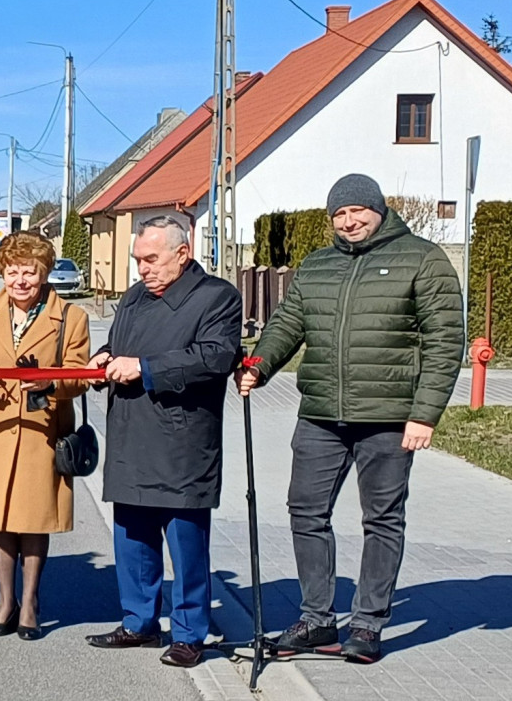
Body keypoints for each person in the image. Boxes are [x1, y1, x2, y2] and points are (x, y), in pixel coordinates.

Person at [238, 175, 464, 664]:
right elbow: (288, 323)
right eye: (339, 214)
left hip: (388, 417)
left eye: (357, 211)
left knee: (381, 519)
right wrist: (260, 364)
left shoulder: (423, 259)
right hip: (320, 414)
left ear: (379, 210)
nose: (348, 221)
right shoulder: (318, 264)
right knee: (305, 511)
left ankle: (367, 623)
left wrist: (424, 415)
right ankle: (317, 619)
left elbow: (446, 342)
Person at [85, 216, 242, 668]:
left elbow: (214, 357)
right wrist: (104, 361)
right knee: (132, 538)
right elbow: (119, 347)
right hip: (132, 433)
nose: (143, 269)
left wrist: (145, 368)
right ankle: (139, 622)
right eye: (138, 260)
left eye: (151, 259)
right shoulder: (134, 298)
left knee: (186, 543)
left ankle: (191, 632)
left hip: (183, 440)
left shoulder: (216, 297)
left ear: (182, 252)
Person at [0, 231, 92, 641]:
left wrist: (50, 384)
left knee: (33, 520)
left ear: (44, 272)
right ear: (2, 272)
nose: (20, 280)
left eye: (29, 272)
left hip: (41, 429)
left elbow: (80, 374)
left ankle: (30, 601)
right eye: (12, 271)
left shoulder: (71, 317)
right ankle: (5, 600)